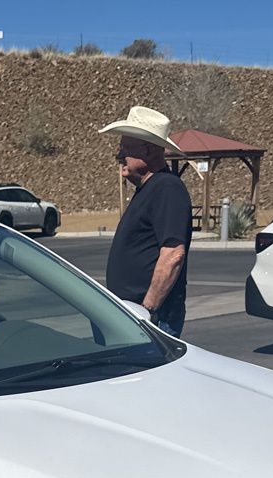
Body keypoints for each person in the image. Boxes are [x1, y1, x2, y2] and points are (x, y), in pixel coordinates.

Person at [99, 105, 191, 337]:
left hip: (151, 318)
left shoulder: (166, 187)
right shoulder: (150, 188)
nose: (119, 155)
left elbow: (173, 254)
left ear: (148, 151)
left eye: (125, 148)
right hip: (134, 314)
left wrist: (147, 310)